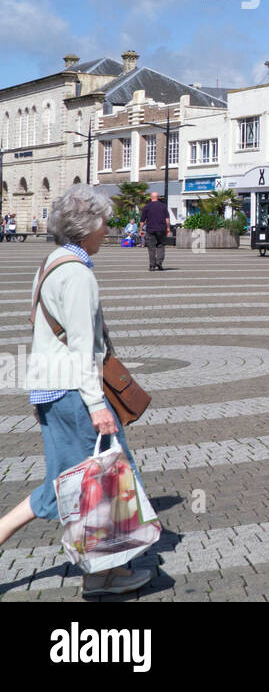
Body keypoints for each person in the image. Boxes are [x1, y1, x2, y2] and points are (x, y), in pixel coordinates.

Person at [0, 186, 153, 598]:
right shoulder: (79, 274)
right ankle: (102, 574)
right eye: (104, 222)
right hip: (74, 391)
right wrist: (96, 404)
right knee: (102, 480)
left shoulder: (51, 263)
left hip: (52, 388)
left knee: (78, 481)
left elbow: (44, 334)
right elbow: (83, 349)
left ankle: (105, 571)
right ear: (89, 227)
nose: (108, 229)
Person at [140, 192, 170, 272]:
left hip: (150, 229)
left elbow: (142, 220)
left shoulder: (147, 207)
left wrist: (141, 229)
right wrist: (168, 228)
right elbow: (167, 219)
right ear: (158, 197)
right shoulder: (163, 206)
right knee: (161, 246)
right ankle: (159, 262)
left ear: (151, 197)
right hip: (161, 229)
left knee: (151, 248)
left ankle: (152, 266)